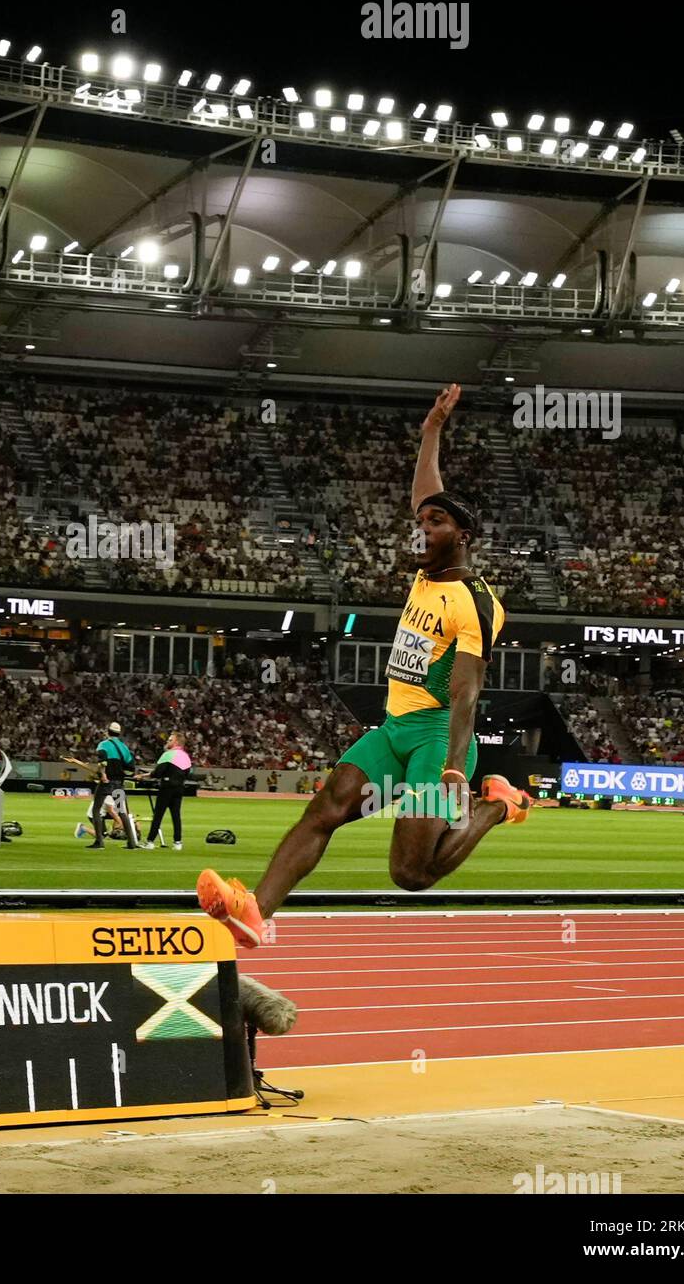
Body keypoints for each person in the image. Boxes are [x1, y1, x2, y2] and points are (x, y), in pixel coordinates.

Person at [199, 384, 534, 947]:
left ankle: (496, 806)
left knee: (409, 874)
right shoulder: (428, 576)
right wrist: (432, 430)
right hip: (394, 728)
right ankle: (256, 912)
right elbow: (426, 489)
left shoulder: (476, 603)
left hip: (435, 739)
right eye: (421, 522)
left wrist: (455, 769)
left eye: (436, 524)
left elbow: (465, 694)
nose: (422, 529)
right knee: (325, 809)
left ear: (463, 537)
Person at [65, 722, 139, 850]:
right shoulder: (124, 747)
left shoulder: (103, 745)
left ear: (107, 732)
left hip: (106, 782)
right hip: (118, 783)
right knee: (122, 812)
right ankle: (131, 843)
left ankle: (99, 842)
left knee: (96, 810)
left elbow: (102, 761)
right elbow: (130, 768)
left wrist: (104, 775)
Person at [142, 731, 192, 850]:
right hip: (179, 788)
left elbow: (158, 772)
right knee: (176, 816)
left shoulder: (168, 754)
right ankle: (177, 842)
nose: (167, 742)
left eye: (170, 740)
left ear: (176, 742)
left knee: (158, 815)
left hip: (166, 787)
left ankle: (150, 842)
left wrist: (145, 776)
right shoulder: (186, 756)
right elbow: (187, 773)